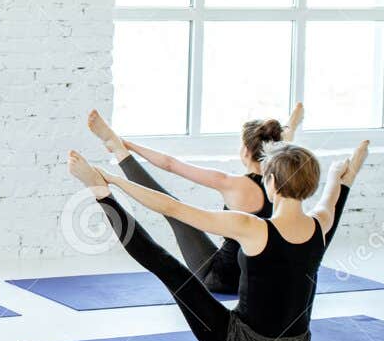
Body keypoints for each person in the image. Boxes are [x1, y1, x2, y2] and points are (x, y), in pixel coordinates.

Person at [66, 138, 366, 341]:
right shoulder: (321, 223)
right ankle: (101, 192)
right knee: (315, 246)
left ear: (271, 183)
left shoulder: (251, 227)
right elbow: (333, 198)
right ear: (310, 185)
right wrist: (344, 174)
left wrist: (112, 180)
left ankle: (99, 193)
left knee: (171, 269)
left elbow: (173, 208)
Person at [85, 104, 303, 295]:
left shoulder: (231, 183)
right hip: (257, 280)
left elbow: (170, 164)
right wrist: (292, 122)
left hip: (219, 279)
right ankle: (118, 147)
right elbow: (285, 141)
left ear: (245, 150)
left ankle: (118, 150)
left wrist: (125, 144)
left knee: (174, 209)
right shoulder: (282, 179)